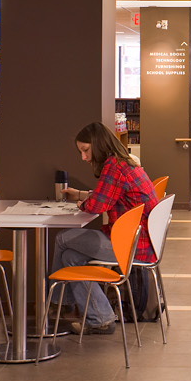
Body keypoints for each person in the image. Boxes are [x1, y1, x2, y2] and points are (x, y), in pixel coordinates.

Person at [54, 122, 159, 335]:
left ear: (98, 145)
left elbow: (97, 206)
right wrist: (83, 195)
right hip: (140, 241)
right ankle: (100, 317)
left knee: (62, 239)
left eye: (85, 150)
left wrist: (82, 202)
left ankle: (58, 304)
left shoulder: (114, 167)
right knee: (70, 257)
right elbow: (108, 194)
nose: (83, 157)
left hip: (129, 245)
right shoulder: (123, 163)